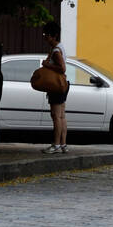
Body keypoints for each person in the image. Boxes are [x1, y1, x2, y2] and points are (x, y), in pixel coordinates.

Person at [41, 22, 68, 154]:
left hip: (56, 86)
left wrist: (46, 64)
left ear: (54, 35)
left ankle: (56, 145)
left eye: (47, 35)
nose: (45, 37)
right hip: (62, 85)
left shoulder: (56, 51)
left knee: (56, 116)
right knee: (61, 116)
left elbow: (62, 68)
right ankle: (63, 144)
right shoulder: (59, 47)